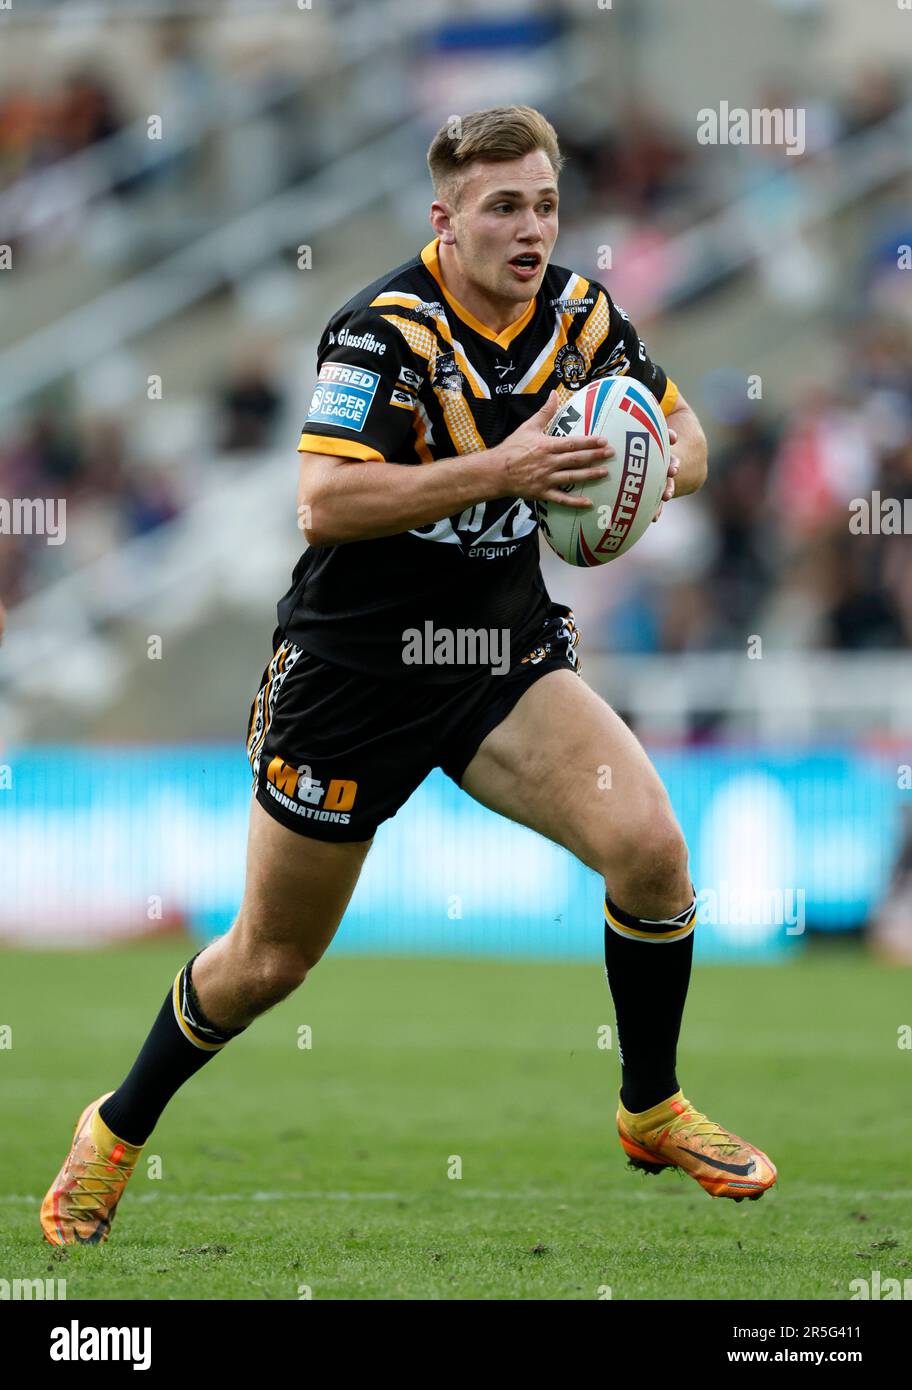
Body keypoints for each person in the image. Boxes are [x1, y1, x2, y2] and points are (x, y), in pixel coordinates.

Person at [41, 105, 775, 1247]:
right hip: (352, 672)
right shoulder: (383, 329)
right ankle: (117, 1127)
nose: (531, 228)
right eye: (503, 208)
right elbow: (325, 500)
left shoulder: (583, 317)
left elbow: (688, 441)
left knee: (653, 851)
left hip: (498, 659)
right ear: (446, 218)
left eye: (544, 203)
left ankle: (651, 1106)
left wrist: (631, 475)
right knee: (269, 962)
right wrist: (508, 467)